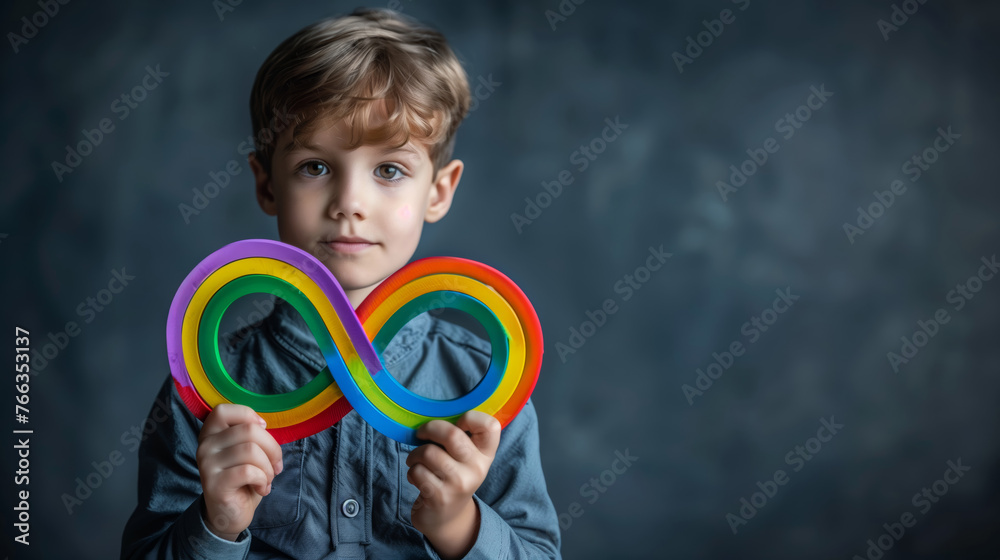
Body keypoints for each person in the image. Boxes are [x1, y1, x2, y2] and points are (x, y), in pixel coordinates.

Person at [120, 7, 561, 559]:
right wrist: (217, 524)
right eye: (315, 167)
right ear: (267, 185)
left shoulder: (486, 383)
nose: (350, 203)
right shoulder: (208, 385)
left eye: (390, 170)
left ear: (439, 191)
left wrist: (460, 524)